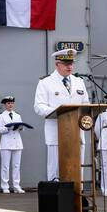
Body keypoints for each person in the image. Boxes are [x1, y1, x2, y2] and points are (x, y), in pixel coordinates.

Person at [33, 48, 88, 180]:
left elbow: (85, 103)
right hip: (56, 132)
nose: (70, 67)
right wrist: (56, 111)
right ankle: (56, 197)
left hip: (77, 132)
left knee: (77, 169)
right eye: (66, 64)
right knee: (55, 171)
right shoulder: (45, 82)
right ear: (57, 64)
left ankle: (78, 197)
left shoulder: (79, 82)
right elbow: (38, 107)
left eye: (71, 63)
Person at [0, 95, 27, 194]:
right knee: (5, 166)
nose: (10, 105)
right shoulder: (0, 117)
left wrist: (21, 128)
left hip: (17, 142)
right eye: (8, 103)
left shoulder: (17, 115)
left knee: (16, 165)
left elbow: (22, 128)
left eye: (12, 103)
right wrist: (8, 128)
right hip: (6, 143)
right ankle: (5, 186)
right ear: (5, 105)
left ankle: (16, 186)